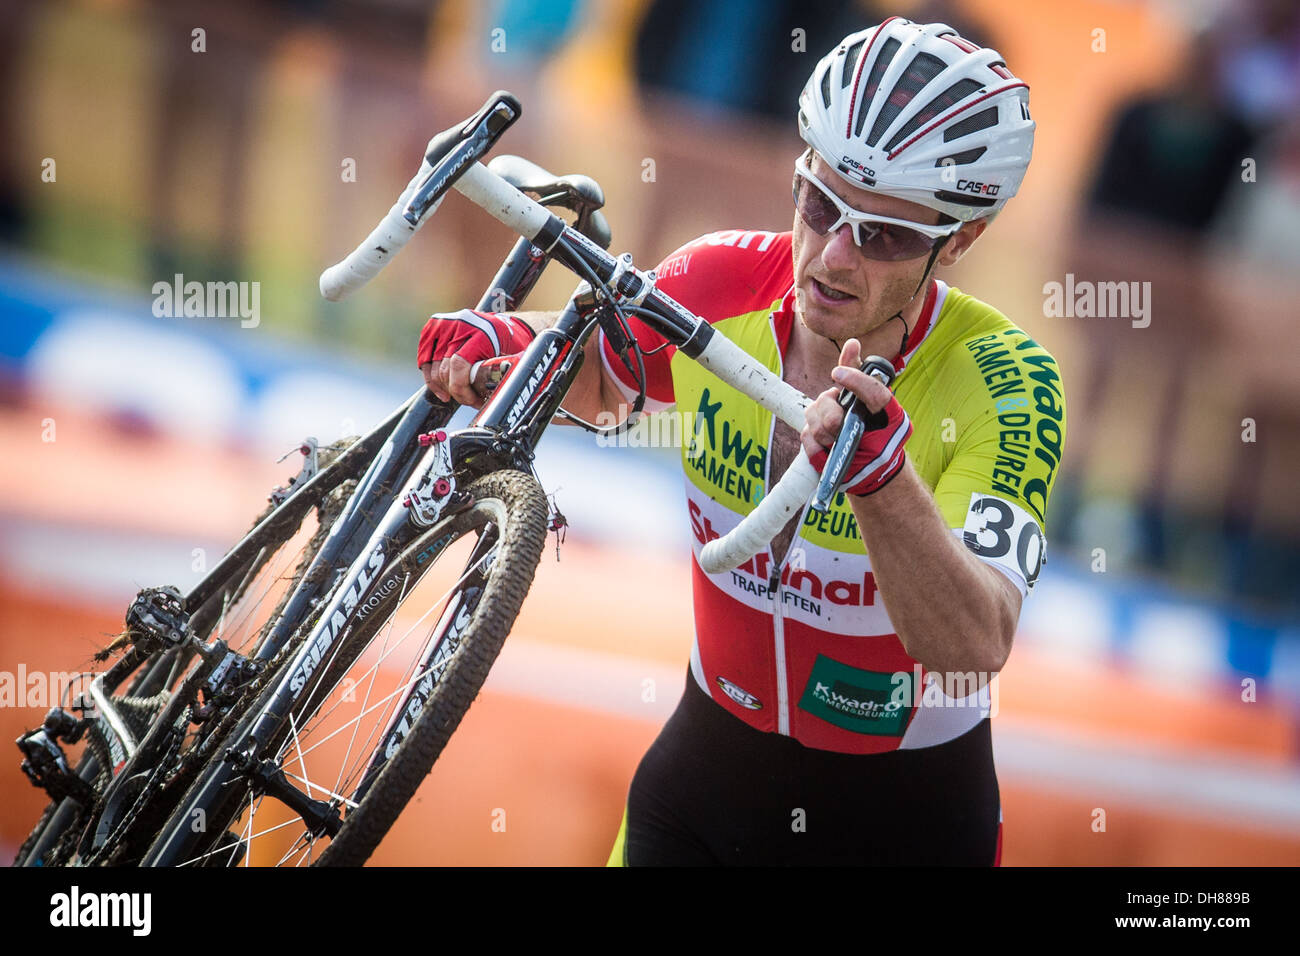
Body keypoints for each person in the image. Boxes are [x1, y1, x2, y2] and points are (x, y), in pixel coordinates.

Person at [418, 17, 1064, 865]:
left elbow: (974, 645)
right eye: (820, 203)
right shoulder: (720, 279)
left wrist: (885, 482)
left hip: (903, 823)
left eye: (885, 235)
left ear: (960, 240)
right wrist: (507, 346)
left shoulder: (1007, 382)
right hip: (703, 784)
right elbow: (611, 381)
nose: (834, 256)